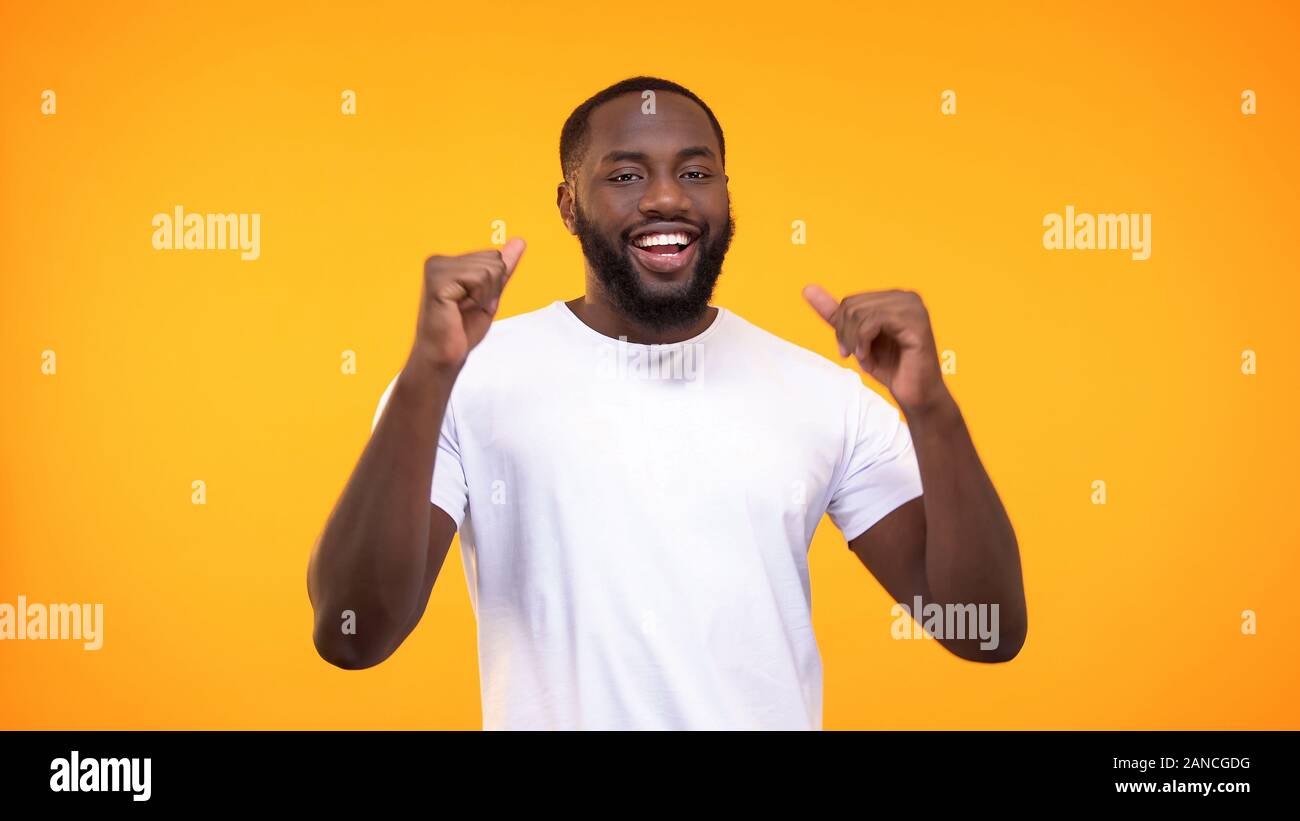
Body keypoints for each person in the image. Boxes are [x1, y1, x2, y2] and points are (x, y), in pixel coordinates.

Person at [306, 76, 1027, 730]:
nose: (667, 198)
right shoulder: (466, 382)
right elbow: (352, 634)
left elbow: (987, 631)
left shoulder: (822, 394)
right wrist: (427, 377)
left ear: (724, 194)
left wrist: (933, 411)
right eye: (625, 174)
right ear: (567, 204)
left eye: (695, 172)